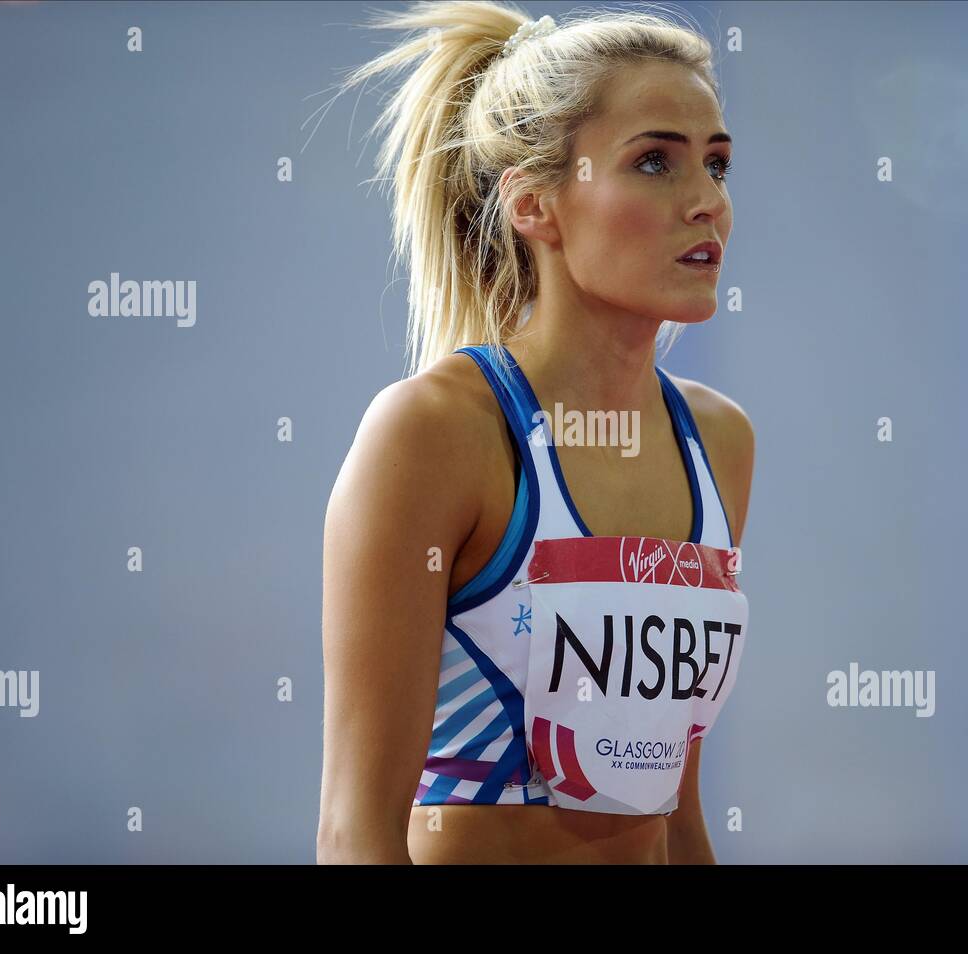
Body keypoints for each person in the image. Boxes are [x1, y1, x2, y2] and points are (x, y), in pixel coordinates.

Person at [316, 0, 754, 864]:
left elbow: (676, 815)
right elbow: (353, 832)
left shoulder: (719, 443)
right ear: (535, 206)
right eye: (656, 162)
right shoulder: (436, 432)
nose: (707, 202)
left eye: (718, 164)